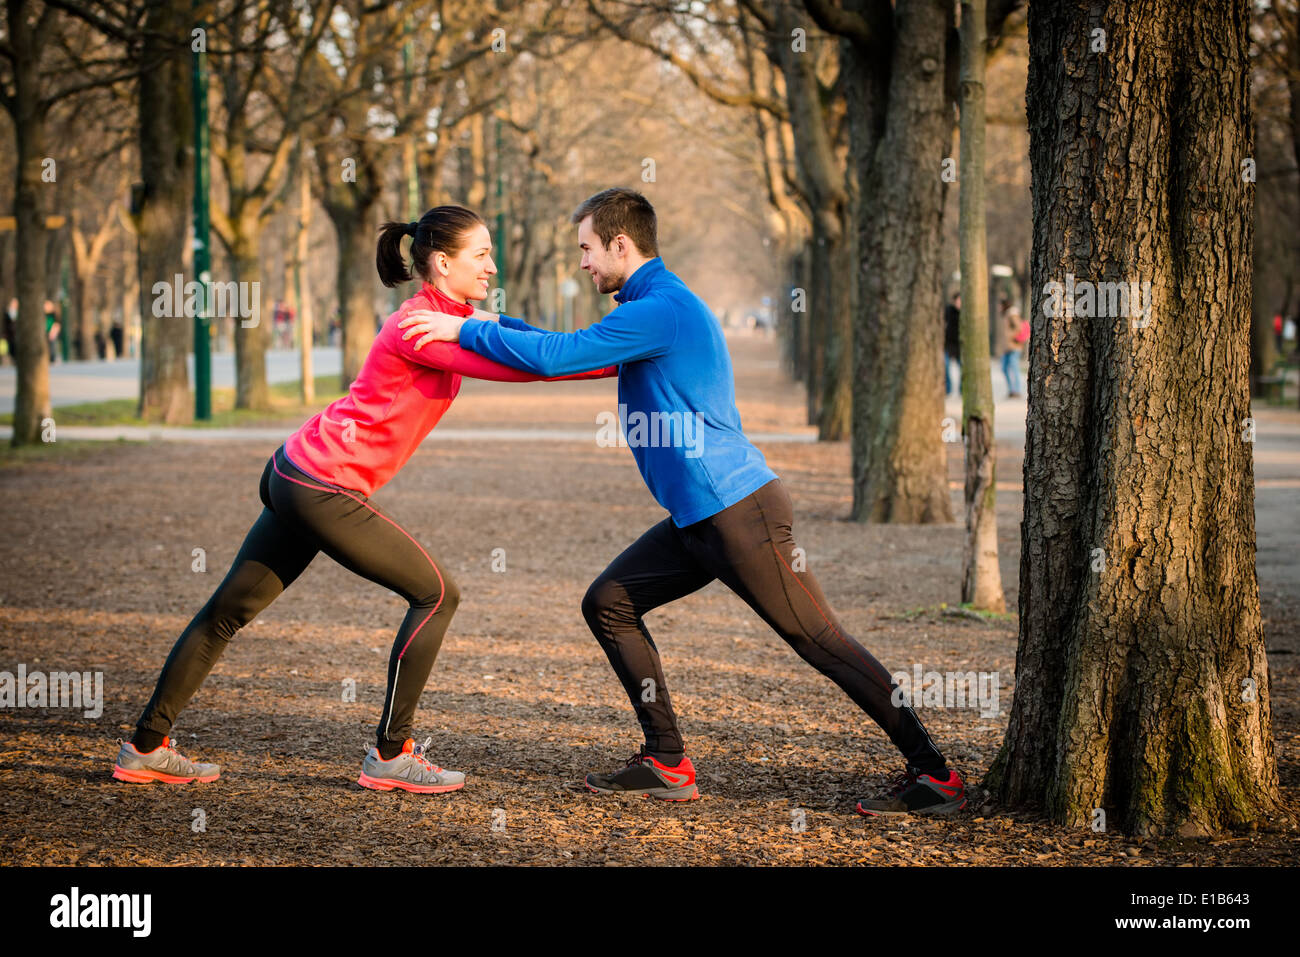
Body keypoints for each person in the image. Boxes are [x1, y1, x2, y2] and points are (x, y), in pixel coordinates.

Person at [397, 187, 966, 817]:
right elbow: (571, 344)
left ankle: (934, 774)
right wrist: (494, 326)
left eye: (587, 249)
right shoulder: (645, 307)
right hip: (701, 516)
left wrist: (465, 327)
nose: (583, 263)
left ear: (621, 244)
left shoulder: (660, 309)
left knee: (820, 640)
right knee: (609, 603)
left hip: (737, 509)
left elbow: (561, 357)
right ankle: (666, 759)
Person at [112, 204, 615, 792]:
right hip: (321, 484)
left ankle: (144, 747)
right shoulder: (420, 326)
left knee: (228, 612)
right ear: (442, 262)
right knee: (435, 593)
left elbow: (521, 336)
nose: (492, 266)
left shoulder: (452, 316)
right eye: (480, 255)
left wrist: (607, 350)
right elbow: (525, 368)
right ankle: (391, 754)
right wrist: (616, 363)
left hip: (295, 471)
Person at [999, 299, 1024, 398]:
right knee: (1004, 368)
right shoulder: (1006, 315)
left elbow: (1019, 328)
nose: (998, 307)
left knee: (1014, 368)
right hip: (1007, 348)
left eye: (999, 305)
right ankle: (1011, 390)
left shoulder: (1012, 315)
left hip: (1014, 347)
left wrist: (1009, 336)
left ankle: (1016, 390)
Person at [943, 292, 961, 396]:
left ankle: (962, 390)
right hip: (948, 343)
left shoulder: (966, 311)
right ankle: (948, 389)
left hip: (960, 344)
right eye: (958, 300)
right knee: (946, 366)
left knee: (962, 368)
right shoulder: (948, 310)